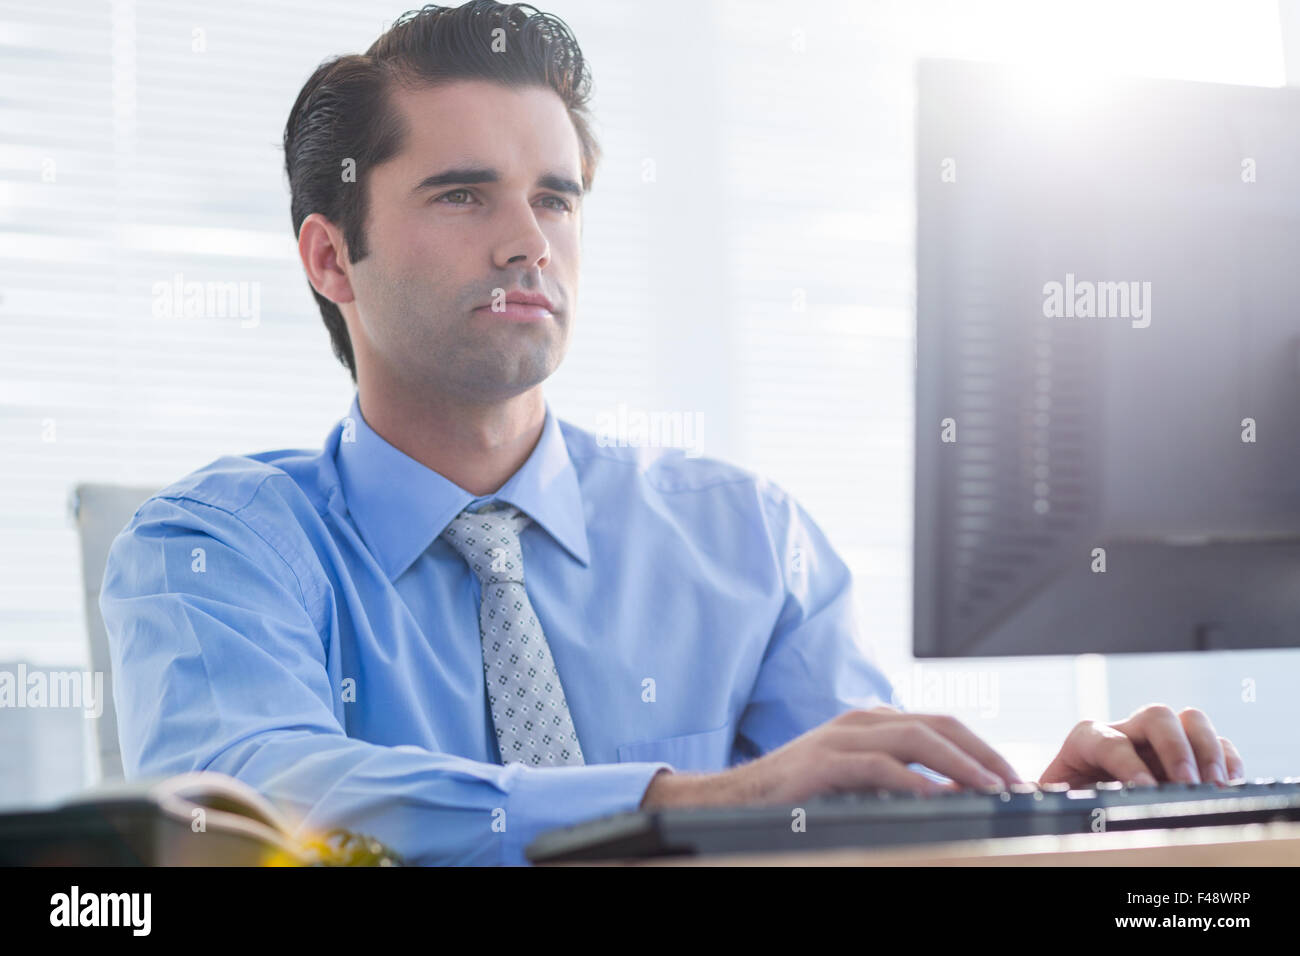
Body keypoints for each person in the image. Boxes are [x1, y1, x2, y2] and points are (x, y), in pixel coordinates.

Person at [100, 1, 1244, 866]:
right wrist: (671, 798)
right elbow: (246, 798)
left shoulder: (743, 533)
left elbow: (867, 830)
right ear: (328, 255)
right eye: (463, 195)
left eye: (554, 197)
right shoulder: (212, 547)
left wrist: (1047, 814)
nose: (526, 243)